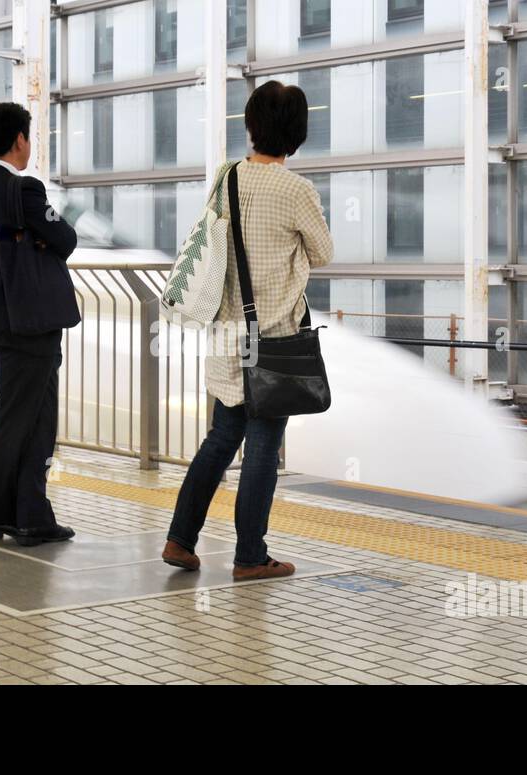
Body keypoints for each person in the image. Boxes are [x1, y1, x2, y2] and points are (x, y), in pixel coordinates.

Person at [161, 81, 334, 581]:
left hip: (224, 331)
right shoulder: (297, 190)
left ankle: (180, 538)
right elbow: (322, 252)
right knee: (262, 448)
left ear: (251, 126)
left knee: (219, 438)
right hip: (274, 337)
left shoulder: (226, 177)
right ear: (297, 134)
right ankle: (250, 557)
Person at [0, 102, 78, 547]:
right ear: (19, 139)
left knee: (16, 418)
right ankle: (25, 516)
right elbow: (66, 238)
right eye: (29, 136)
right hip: (31, 324)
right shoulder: (25, 189)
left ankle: (10, 515)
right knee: (30, 422)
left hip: (3, 318)